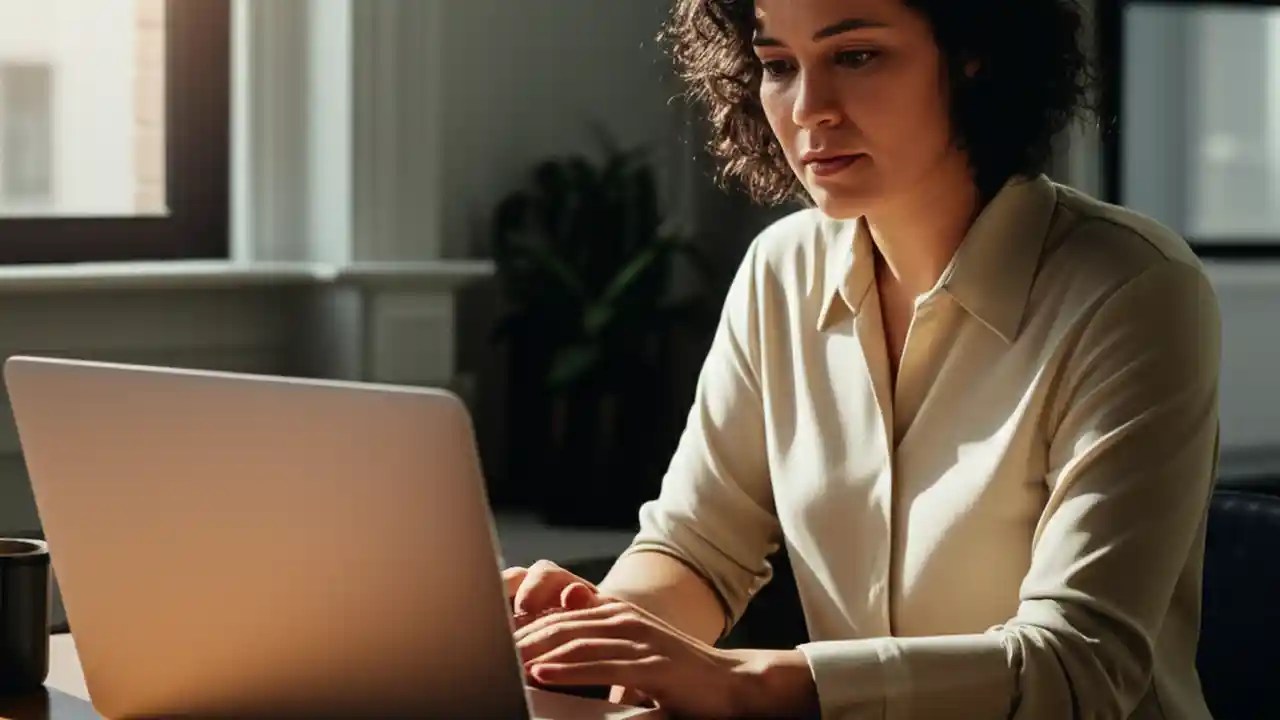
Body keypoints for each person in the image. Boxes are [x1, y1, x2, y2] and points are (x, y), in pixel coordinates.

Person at [505, 0, 1221, 717]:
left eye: (855, 56)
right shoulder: (781, 270)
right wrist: (588, 632)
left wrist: (748, 682)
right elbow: (697, 548)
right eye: (778, 65)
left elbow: (1077, 666)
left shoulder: (1133, 289)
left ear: (974, 54)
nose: (808, 109)